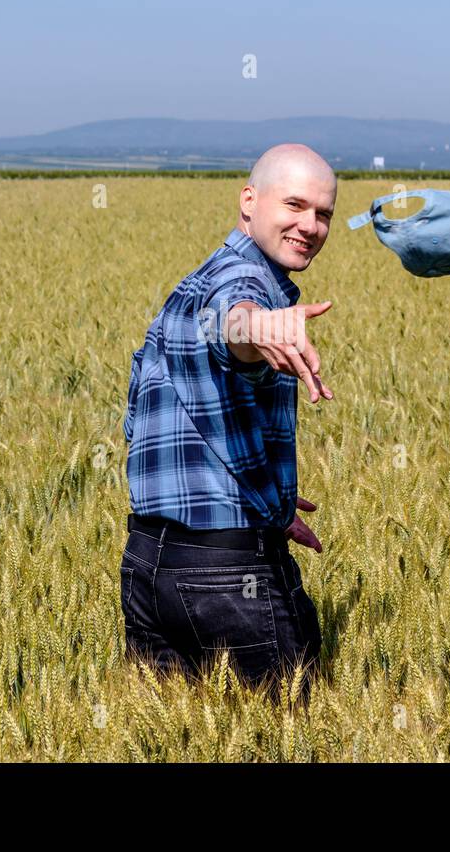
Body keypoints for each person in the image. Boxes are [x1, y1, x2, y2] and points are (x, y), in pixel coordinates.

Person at [120, 143, 336, 702]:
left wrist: (266, 503)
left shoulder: (193, 283)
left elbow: (166, 414)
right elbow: (233, 324)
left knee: (167, 738)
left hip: (149, 565)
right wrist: (260, 329)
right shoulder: (241, 286)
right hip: (225, 578)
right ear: (249, 200)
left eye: (323, 214)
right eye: (295, 205)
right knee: (284, 735)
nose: (310, 226)